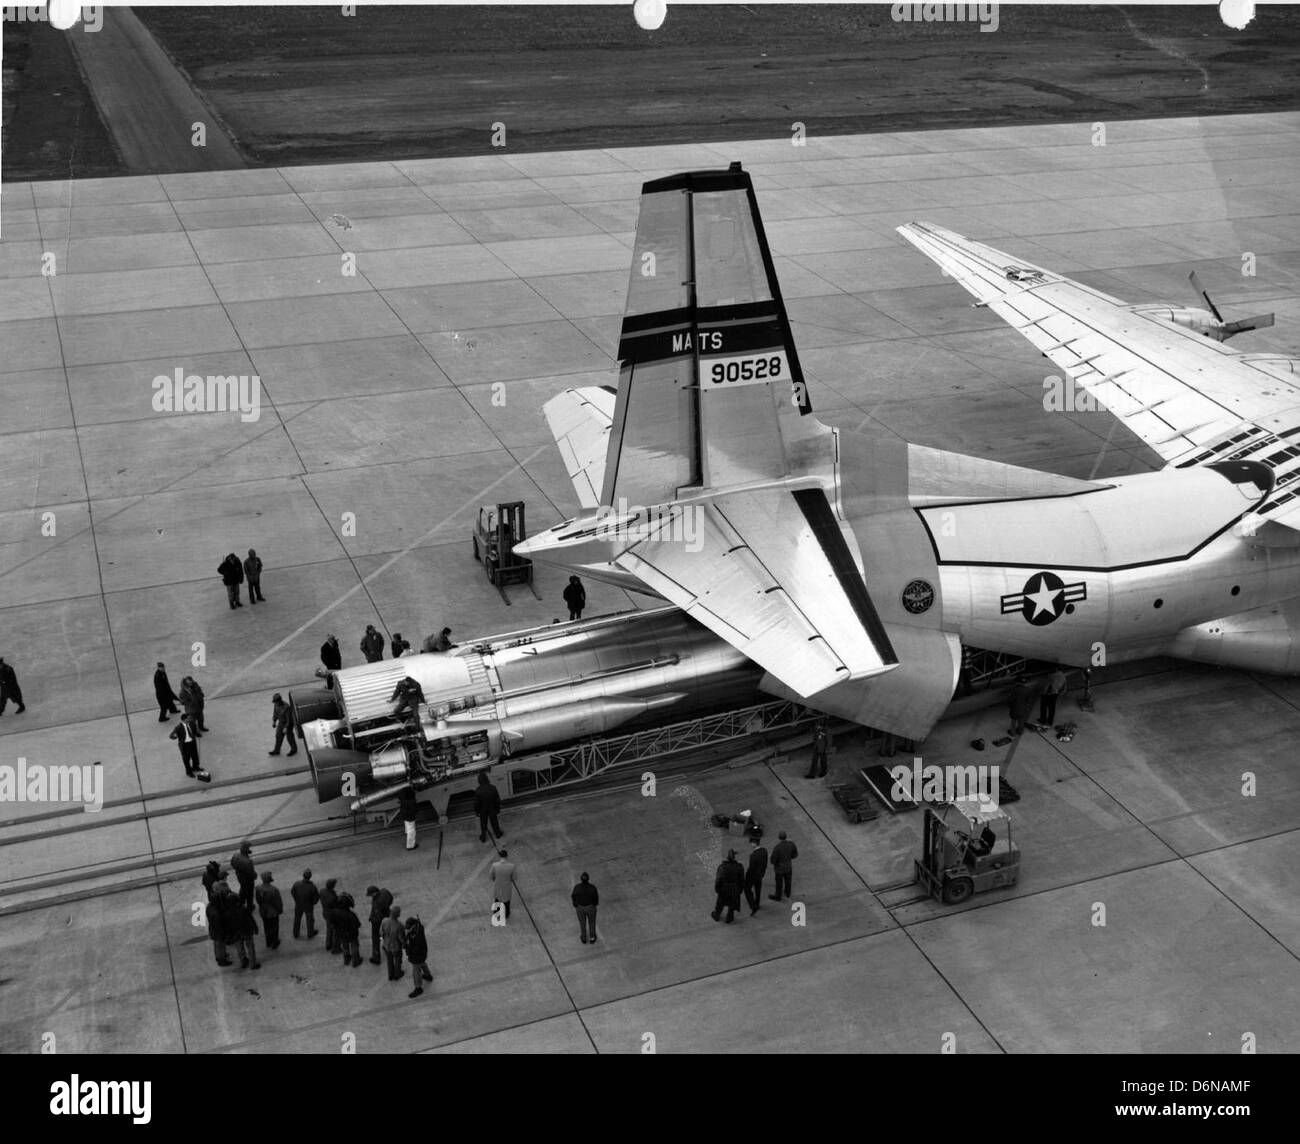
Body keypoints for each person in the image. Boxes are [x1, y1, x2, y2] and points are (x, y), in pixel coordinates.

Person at [224, 889, 261, 970]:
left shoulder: (227, 913)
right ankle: (253, 963)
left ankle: (243, 961)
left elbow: (227, 925)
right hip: (246, 931)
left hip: (236, 932)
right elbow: (250, 919)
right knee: (250, 947)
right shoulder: (243, 909)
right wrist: (255, 928)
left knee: (239, 947)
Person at [712, 849, 745, 923]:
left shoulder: (722, 867)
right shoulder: (739, 867)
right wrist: (740, 889)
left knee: (720, 902)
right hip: (734, 888)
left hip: (724, 888)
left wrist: (717, 888)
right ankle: (729, 917)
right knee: (732, 903)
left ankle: (717, 915)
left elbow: (718, 879)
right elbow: (742, 879)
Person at [206, 881, 233, 967]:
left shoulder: (210, 907)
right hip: (218, 931)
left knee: (217, 945)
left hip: (214, 930)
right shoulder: (216, 912)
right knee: (220, 945)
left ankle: (220, 956)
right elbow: (218, 923)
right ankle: (222, 960)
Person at [405, 916, 432, 997]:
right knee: (423, 963)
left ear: (413, 926)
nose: (407, 929)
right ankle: (428, 975)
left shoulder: (416, 936)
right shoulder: (419, 928)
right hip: (422, 954)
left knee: (416, 972)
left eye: (409, 928)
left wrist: (407, 949)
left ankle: (418, 988)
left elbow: (414, 948)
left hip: (417, 956)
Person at [366, 885, 394, 964]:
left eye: (371, 895)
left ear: (374, 893)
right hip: (387, 916)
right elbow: (391, 898)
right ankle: (387, 947)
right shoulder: (384, 891)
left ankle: (376, 958)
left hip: (377, 922)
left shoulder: (377, 903)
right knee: (386, 934)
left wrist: (373, 920)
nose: (370, 896)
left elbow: (377, 915)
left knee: (375, 939)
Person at [169, 715, 203, 779]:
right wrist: (175, 736)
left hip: (192, 742)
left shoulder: (191, 723)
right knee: (186, 759)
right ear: (184, 720)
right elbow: (171, 735)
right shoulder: (178, 727)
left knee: (195, 756)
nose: (190, 719)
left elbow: (194, 730)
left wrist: (197, 734)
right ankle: (189, 772)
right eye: (188, 718)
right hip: (184, 745)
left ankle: (195, 767)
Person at [255, 871, 283, 949]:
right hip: (273, 912)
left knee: (266, 926)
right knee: (274, 927)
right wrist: (280, 910)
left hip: (263, 910)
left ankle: (268, 942)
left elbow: (258, 900)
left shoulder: (258, 888)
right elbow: (278, 902)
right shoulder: (274, 890)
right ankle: (274, 942)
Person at [335, 892, 363, 968]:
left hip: (341, 933)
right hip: (352, 933)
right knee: (354, 946)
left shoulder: (336, 913)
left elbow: (332, 922)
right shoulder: (351, 915)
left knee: (345, 946)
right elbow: (358, 924)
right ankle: (356, 961)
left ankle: (346, 959)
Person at [474, 772, 503, 843]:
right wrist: (498, 808)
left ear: (479, 781)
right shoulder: (493, 787)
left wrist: (477, 811)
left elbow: (477, 803)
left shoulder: (478, 790)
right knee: (494, 822)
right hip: (492, 808)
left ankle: (483, 837)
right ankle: (498, 834)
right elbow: (497, 799)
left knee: (483, 824)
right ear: (487, 779)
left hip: (483, 810)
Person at [769, 831, 798, 902]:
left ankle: (778, 896)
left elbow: (773, 861)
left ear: (779, 838)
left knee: (779, 882)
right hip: (788, 867)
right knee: (788, 881)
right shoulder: (791, 844)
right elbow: (795, 854)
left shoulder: (777, 848)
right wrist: (788, 858)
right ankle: (788, 893)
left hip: (779, 869)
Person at [291, 869, 319, 939]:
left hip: (298, 904)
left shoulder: (297, 883)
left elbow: (293, 892)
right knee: (310, 919)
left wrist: (296, 900)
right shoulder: (312, 886)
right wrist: (313, 903)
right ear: (310, 876)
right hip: (308, 905)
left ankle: (295, 933)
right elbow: (316, 897)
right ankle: (310, 933)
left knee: (297, 918)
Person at [743, 835, 768, 915]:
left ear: (754, 843)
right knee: (758, 888)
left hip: (753, 875)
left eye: (751, 843)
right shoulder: (764, 851)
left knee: (747, 889)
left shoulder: (753, 856)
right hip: (760, 874)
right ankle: (757, 903)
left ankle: (753, 905)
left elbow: (751, 868)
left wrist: (747, 876)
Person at [571, 872, 598, 944]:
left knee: (582, 923)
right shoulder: (592, 888)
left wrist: (576, 904)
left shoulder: (577, 887)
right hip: (590, 907)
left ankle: (584, 938)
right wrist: (594, 905)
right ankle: (592, 937)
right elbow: (596, 898)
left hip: (580, 908)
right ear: (588, 879)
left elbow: (573, 896)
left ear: (581, 879)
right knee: (592, 922)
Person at [230, 839, 256, 913]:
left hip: (240, 877)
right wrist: (254, 876)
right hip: (248, 880)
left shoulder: (235, 855)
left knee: (243, 889)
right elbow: (251, 873)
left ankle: (241, 902)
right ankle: (249, 907)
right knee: (250, 893)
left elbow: (232, 864)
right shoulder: (248, 861)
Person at [380, 905, 405, 980]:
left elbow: (381, 932)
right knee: (397, 960)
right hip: (396, 946)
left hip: (387, 945)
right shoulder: (399, 925)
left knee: (389, 961)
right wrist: (404, 944)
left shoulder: (384, 921)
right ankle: (397, 974)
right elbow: (401, 938)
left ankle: (390, 975)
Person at [490, 850, 516, 921]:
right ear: (507, 856)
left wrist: (496, 880)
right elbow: (514, 878)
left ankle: (497, 913)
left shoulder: (494, 865)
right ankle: (506, 914)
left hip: (498, 886)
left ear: (500, 856)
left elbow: (491, 876)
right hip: (507, 887)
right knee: (506, 901)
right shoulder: (512, 866)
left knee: (497, 900)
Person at [320, 877, 340, 954]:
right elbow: (335, 903)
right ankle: (335, 947)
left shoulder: (322, 891)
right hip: (332, 914)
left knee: (329, 929)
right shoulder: (331, 896)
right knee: (335, 930)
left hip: (325, 912)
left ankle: (328, 944)